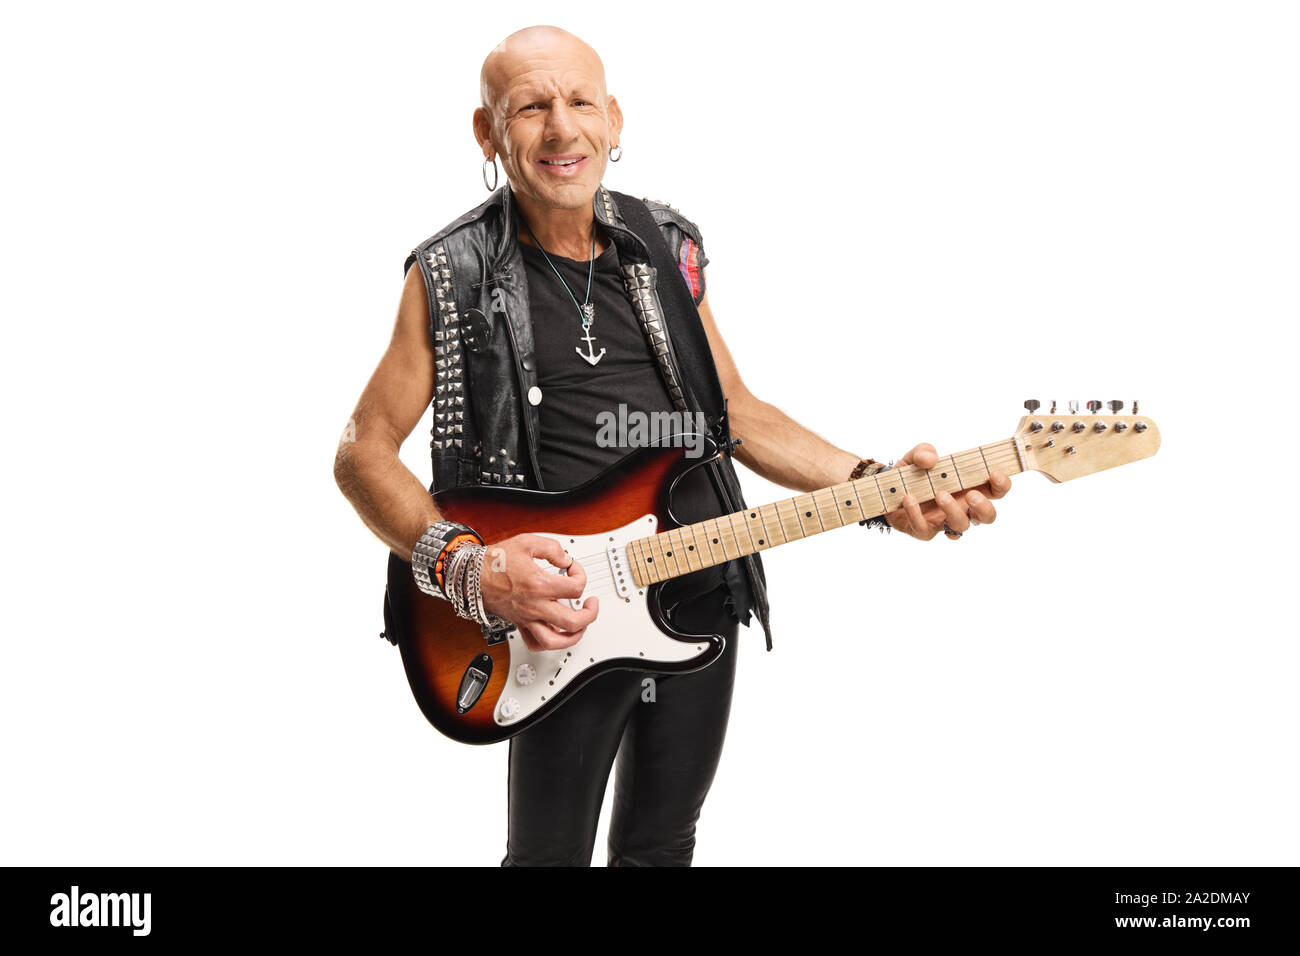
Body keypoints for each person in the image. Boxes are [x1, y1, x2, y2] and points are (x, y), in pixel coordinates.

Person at [333, 24, 1012, 866]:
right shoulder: (452, 271)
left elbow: (735, 412)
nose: (562, 129)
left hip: (698, 592)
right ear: (488, 133)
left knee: (662, 845)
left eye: (581, 101)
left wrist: (879, 486)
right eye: (531, 107)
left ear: (614, 119)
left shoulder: (667, 248)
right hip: (555, 615)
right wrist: (470, 567)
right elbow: (362, 453)